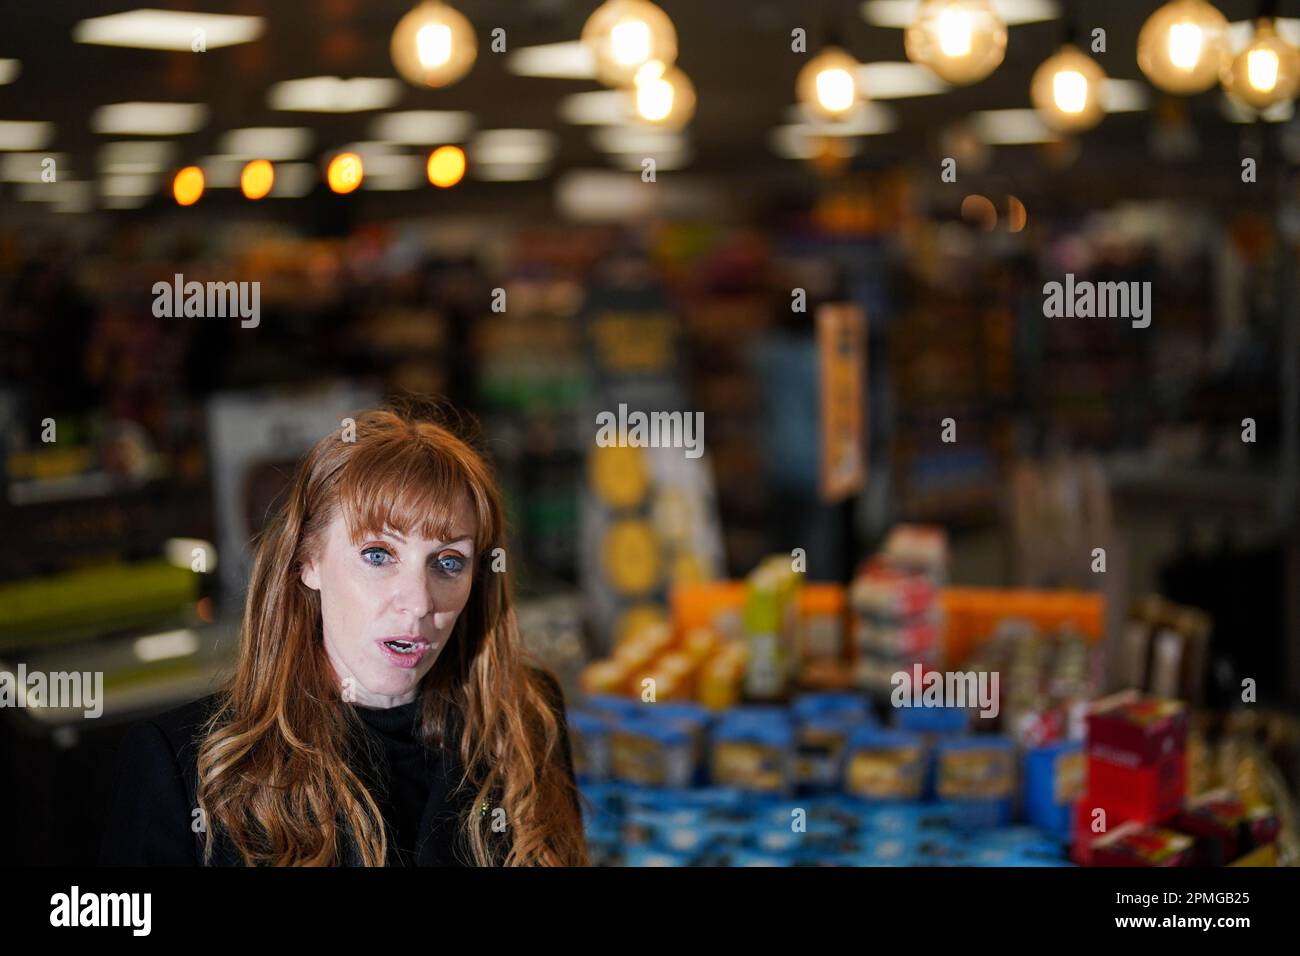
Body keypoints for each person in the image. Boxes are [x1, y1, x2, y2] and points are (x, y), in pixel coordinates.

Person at [99, 401, 587, 866]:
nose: (418, 601)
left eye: (448, 562)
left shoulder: (525, 722)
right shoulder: (184, 769)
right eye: (378, 555)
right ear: (308, 561)